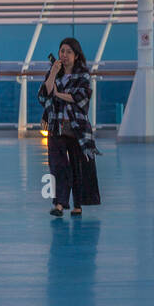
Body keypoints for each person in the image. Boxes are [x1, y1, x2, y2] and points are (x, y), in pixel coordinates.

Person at [38, 38, 101, 217]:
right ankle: (59, 204)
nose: (64, 55)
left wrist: (58, 94)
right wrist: (52, 74)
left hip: (77, 128)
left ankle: (78, 205)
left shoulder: (83, 75)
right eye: (62, 51)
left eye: (68, 52)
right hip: (56, 125)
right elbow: (43, 96)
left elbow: (80, 98)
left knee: (77, 166)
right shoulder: (54, 72)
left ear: (76, 55)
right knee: (57, 166)